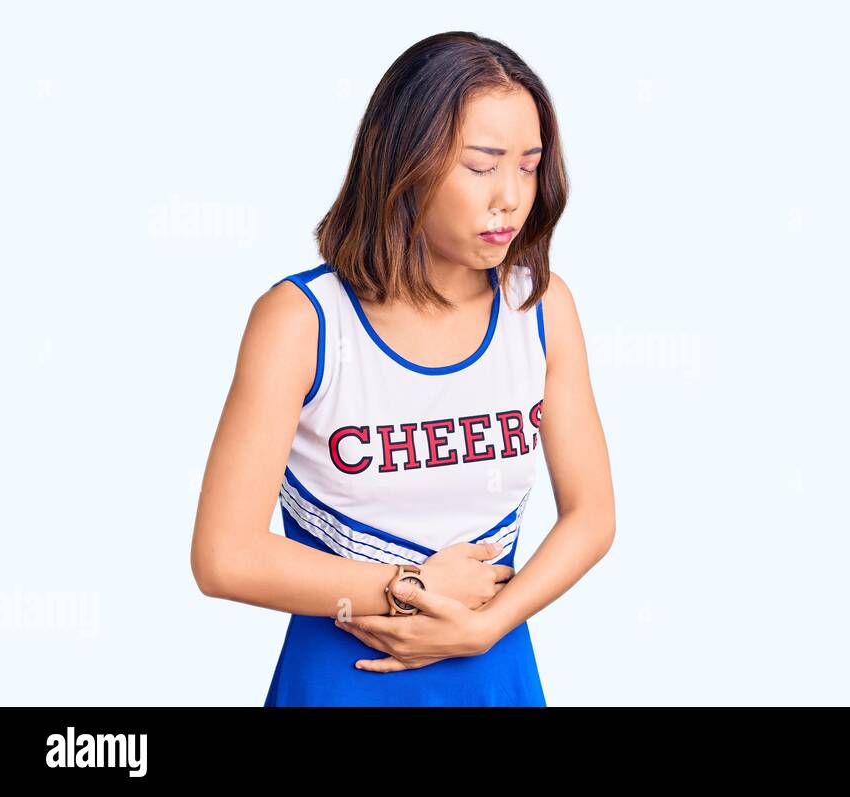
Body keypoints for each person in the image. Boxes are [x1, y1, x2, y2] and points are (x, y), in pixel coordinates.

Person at [189, 31, 615, 706]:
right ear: (402, 155)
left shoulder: (541, 307)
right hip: (343, 681)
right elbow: (223, 555)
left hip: (497, 674)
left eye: (530, 166)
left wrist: (487, 626)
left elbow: (592, 514)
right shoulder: (302, 322)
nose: (510, 195)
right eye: (482, 165)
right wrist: (405, 584)